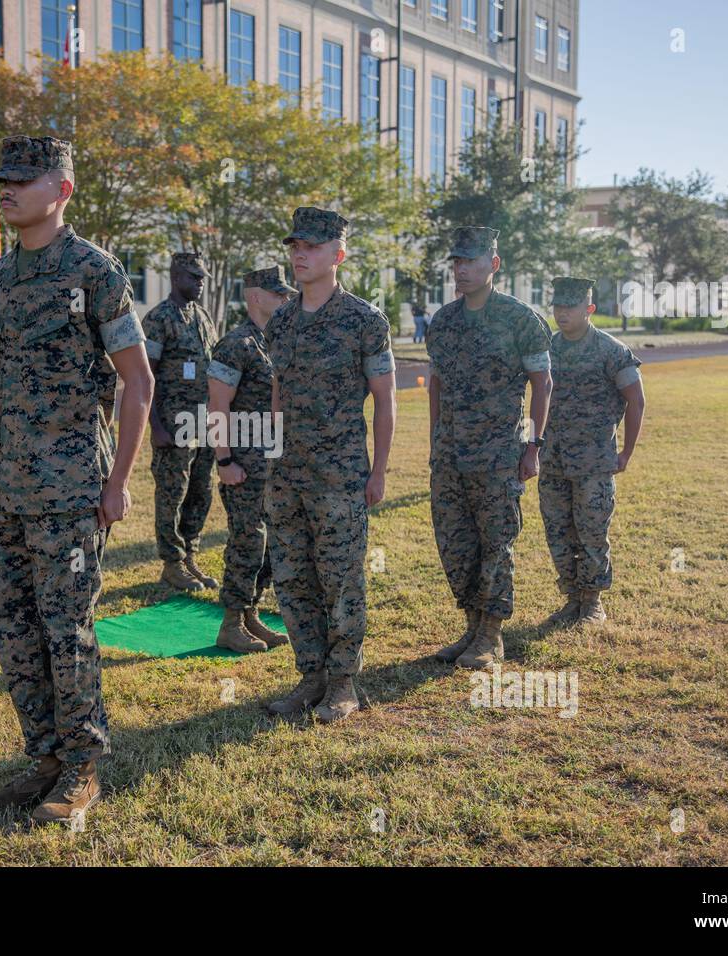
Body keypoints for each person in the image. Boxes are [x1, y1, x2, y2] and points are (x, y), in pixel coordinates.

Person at [0, 135, 154, 825]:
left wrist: (120, 481)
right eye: (1, 180)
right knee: (14, 631)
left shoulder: (94, 270)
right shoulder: (9, 275)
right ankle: (45, 759)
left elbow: (138, 382)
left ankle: (82, 767)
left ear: (62, 189)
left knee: (65, 629)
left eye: (22, 179)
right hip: (11, 487)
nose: (6, 190)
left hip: (74, 487)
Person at [264, 207, 396, 724]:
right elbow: (278, 389)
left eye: (312, 247)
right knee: (292, 577)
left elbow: (385, 399)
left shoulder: (364, 320)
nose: (300, 254)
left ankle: (343, 683)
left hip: (340, 475)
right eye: (295, 245)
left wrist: (379, 471)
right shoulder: (282, 320)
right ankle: (310, 676)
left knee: (341, 578)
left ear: (338, 255)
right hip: (287, 474)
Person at [427, 226, 552, 670]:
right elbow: (436, 383)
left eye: (470, 262)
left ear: (493, 265)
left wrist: (533, 446)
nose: (461, 270)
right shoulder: (443, 321)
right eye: (456, 262)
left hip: (499, 452)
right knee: (455, 541)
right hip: (449, 453)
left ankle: (492, 635)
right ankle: (470, 625)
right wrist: (434, 438)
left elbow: (542, 384)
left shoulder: (520, 319)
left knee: (495, 541)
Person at [538, 276, 645, 630]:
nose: (562, 313)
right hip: (552, 459)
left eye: (570, 307)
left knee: (592, 531)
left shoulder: (610, 350)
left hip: (593, 462)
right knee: (558, 531)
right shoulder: (548, 348)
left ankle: (593, 602)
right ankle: (572, 599)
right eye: (558, 306)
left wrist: (626, 453)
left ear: (589, 309)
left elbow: (636, 400)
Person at [206, 265, 295, 653]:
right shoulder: (235, 344)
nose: (285, 299)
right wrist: (225, 462)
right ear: (256, 296)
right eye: (278, 294)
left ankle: (251, 614)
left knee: (271, 545)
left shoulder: (273, 341)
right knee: (247, 542)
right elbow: (217, 408)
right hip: (242, 465)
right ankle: (230, 623)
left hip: (272, 464)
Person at [142, 252, 219, 592]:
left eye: (202, 278)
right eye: (194, 277)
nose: (200, 283)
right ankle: (171, 564)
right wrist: (156, 427)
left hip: (202, 425)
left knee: (200, 491)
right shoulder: (158, 319)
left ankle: (189, 556)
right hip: (173, 428)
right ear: (176, 277)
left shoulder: (203, 317)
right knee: (172, 494)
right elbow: (145, 378)